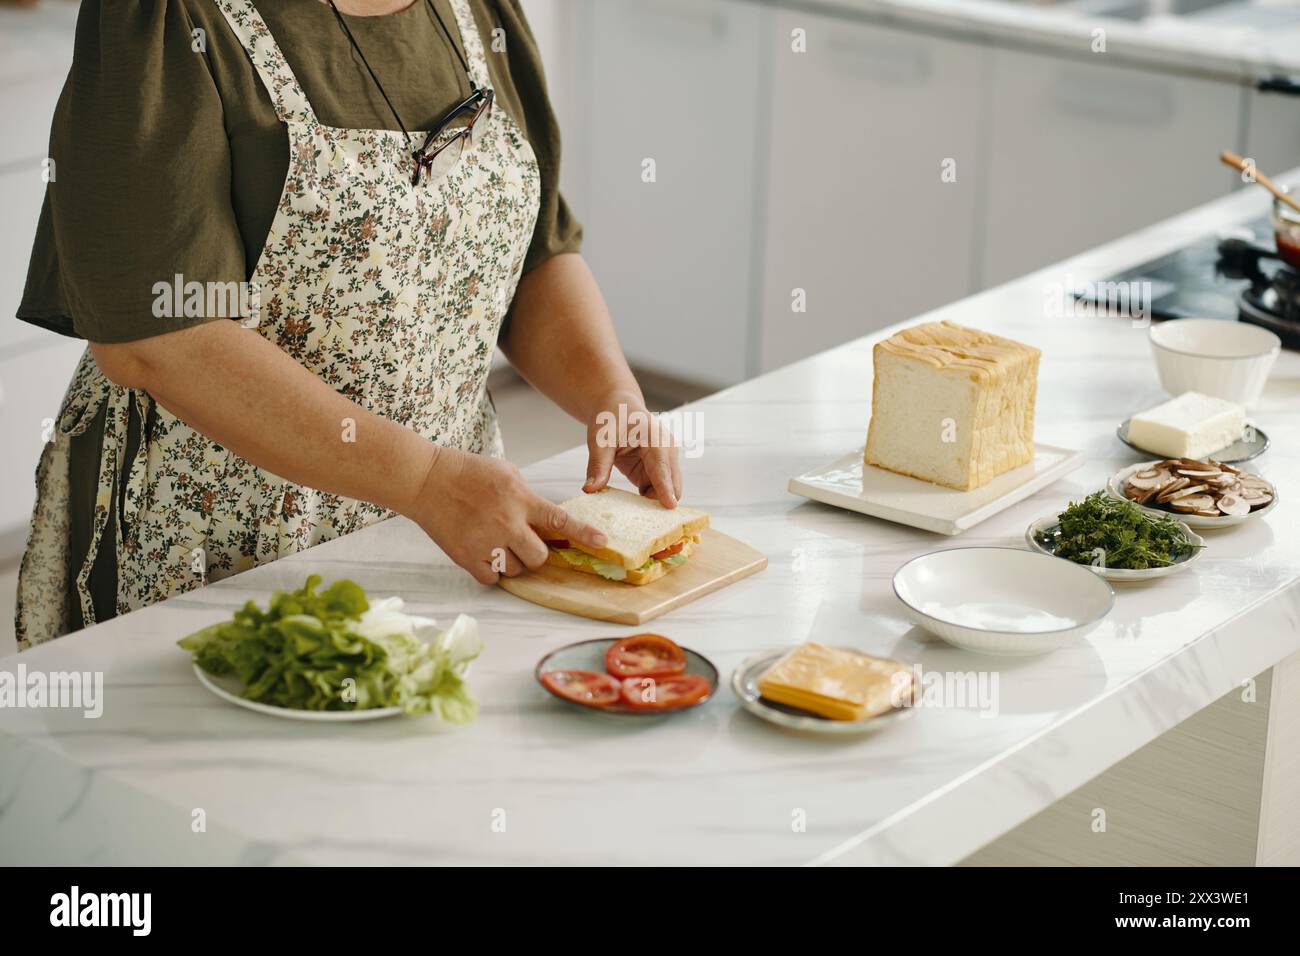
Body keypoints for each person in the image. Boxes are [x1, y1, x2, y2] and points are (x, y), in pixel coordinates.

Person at [13, 0, 680, 650]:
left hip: (452, 528)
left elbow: (534, 255)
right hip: (217, 543)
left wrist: (610, 397)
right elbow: (159, 339)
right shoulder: (167, 17)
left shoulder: (484, 10)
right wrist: (422, 481)